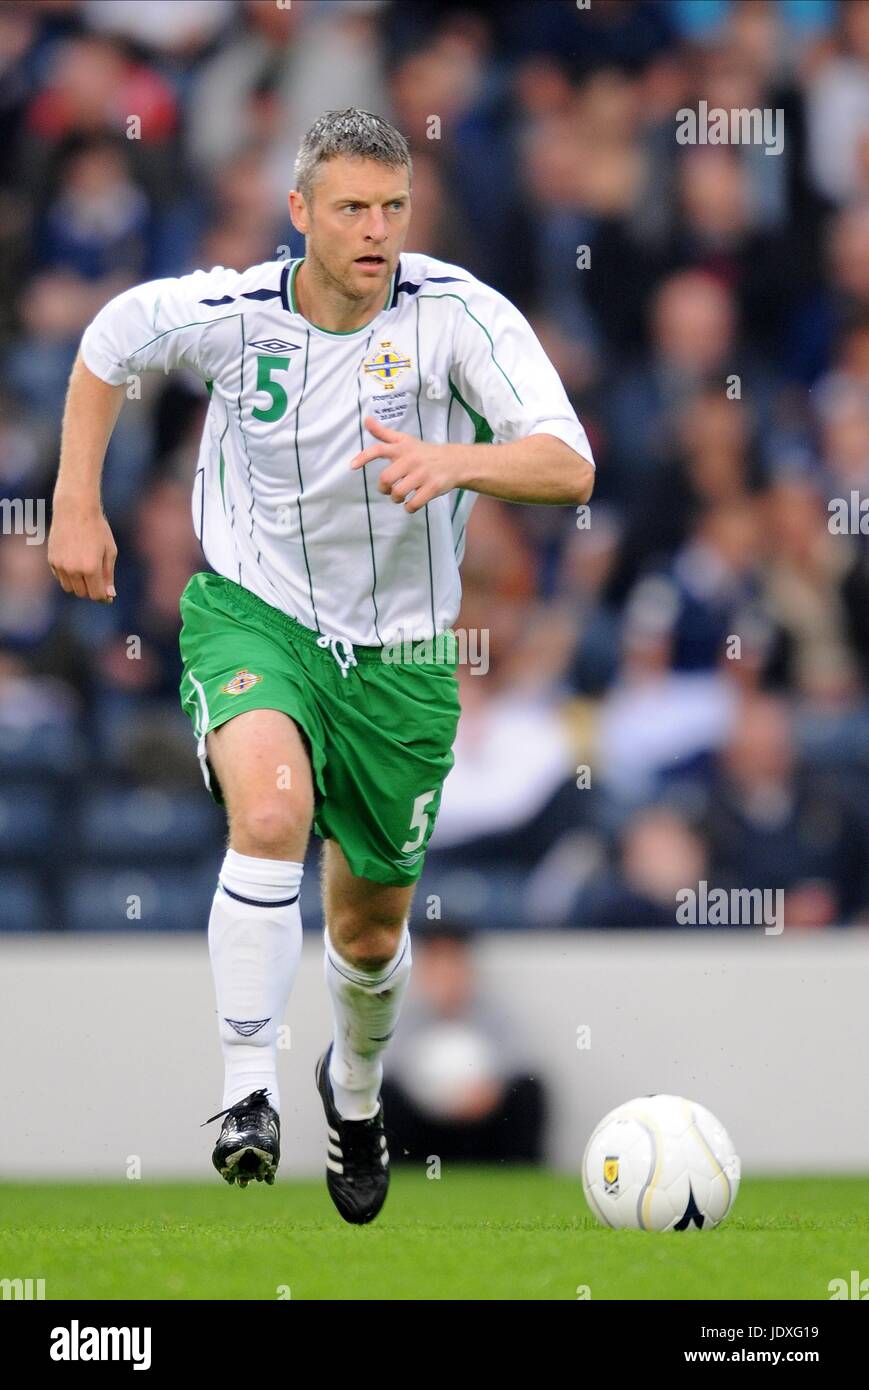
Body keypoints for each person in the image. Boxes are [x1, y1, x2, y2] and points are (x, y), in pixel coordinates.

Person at [46, 108, 594, 1224]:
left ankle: (351, 1094)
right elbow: (109, 338)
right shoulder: (233, 313)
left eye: (392, 208)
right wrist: (73, 499)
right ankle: (246, 1094)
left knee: (368, 928)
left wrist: (457, 460)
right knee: (271, 813)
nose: (375, 230)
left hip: (399, 662)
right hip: (255, 617)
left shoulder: (458, 316)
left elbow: (569, 463)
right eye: (350, 207)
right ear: (298, 213)